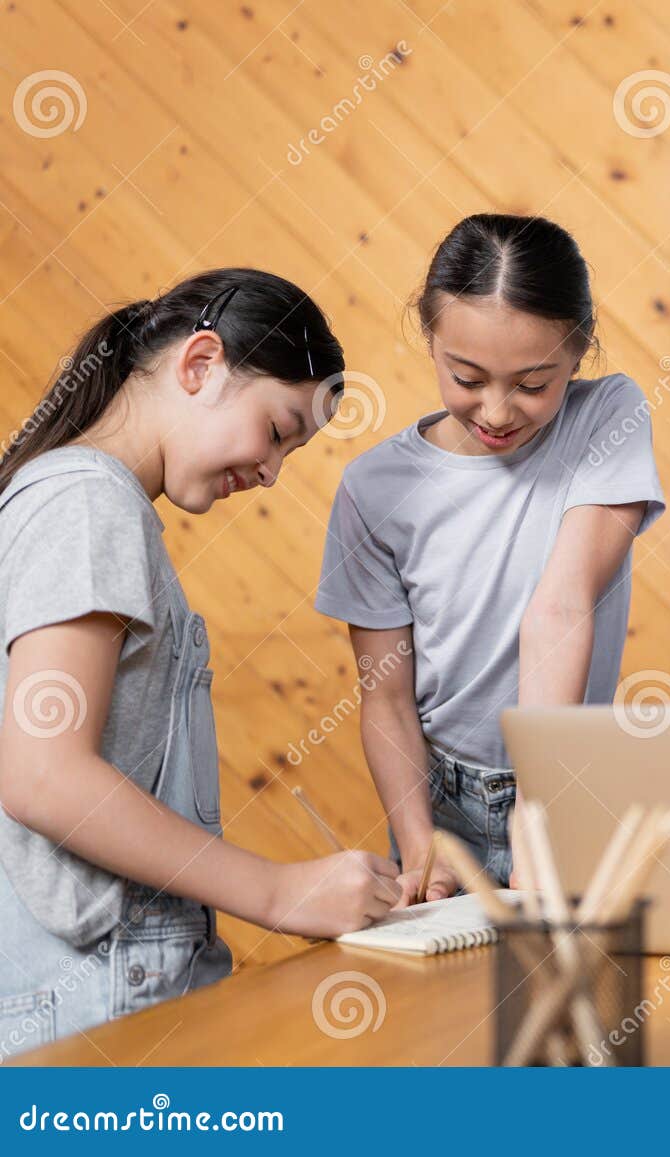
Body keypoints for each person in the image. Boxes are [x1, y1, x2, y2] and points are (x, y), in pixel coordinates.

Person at [0, 270, 401, 1052]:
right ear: (200, 364)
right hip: (94, 1012)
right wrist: (281, 892)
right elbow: (43, 774)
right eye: (278, 430)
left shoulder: (79, 500)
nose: (271, 472)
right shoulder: (88, 505)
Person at [316, 214, 665, 898]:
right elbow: (385, 698)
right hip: (443, 805)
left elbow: (560, 606)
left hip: (572, 785)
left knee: (586, 997)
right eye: (468, 377)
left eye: (534, 384)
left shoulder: (610, 416)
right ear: (431, 336)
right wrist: (421, 842)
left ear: (579, 351)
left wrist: (541, 815)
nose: (498, 410)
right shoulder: (374, 488)